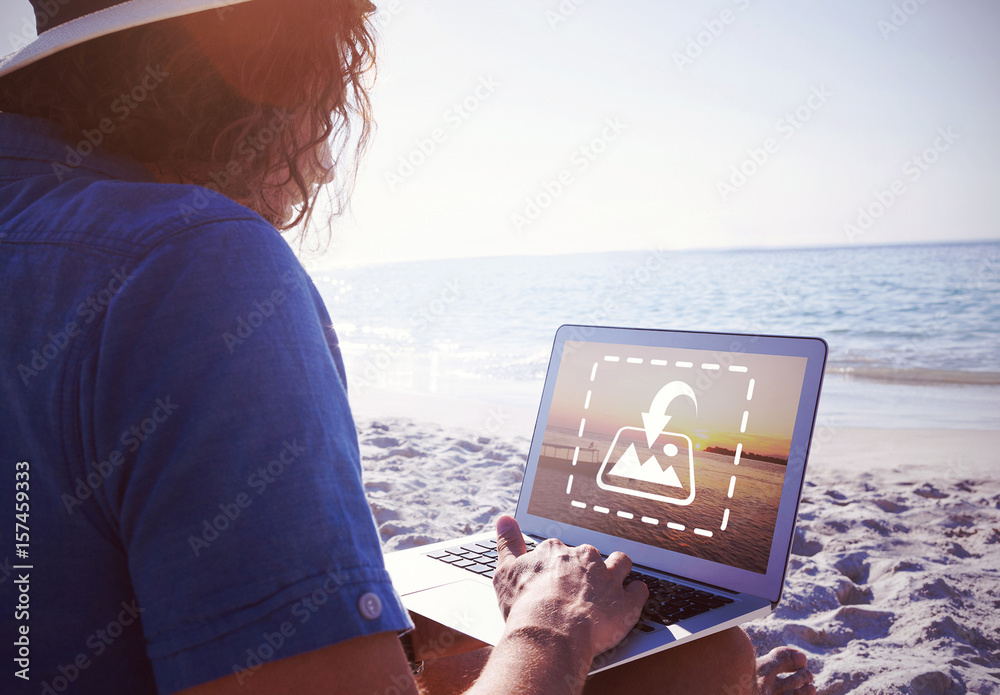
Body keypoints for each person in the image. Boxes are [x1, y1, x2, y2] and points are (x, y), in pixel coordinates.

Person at [0, 1, 816, 693]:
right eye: (326, 100)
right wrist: (550, 627)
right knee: (702, 665)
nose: (322, 168)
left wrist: (358, 611)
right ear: (260, 70)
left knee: (634, 652)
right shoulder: (196, 259)